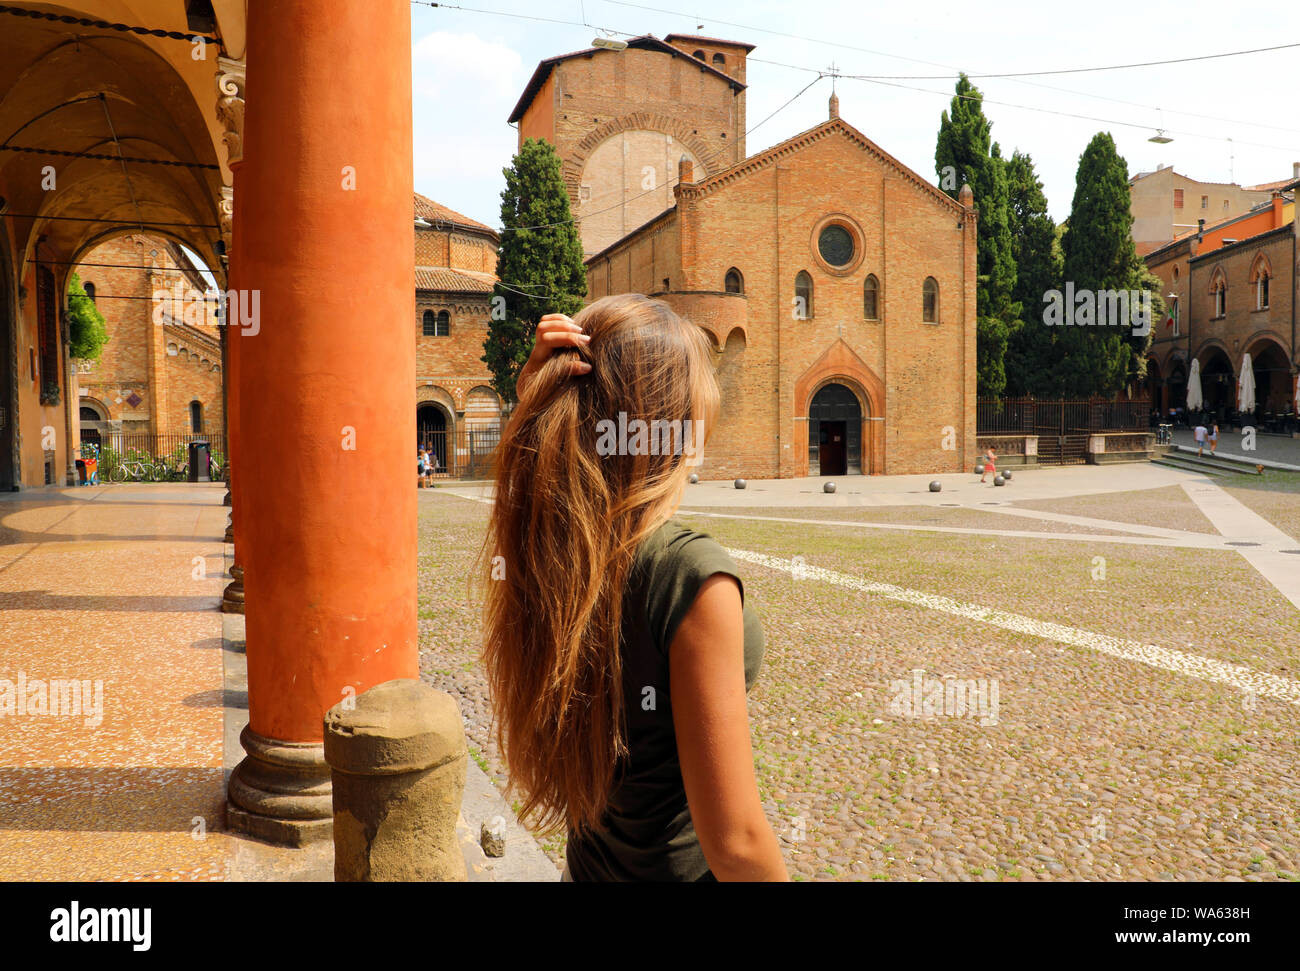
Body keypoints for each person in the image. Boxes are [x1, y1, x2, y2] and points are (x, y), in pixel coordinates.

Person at [481, 294, 787, 882]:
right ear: (673, 422)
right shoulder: (691, 578)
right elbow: (737, 845)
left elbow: (538, 485)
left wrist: (536, 401)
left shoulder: (553, 550)